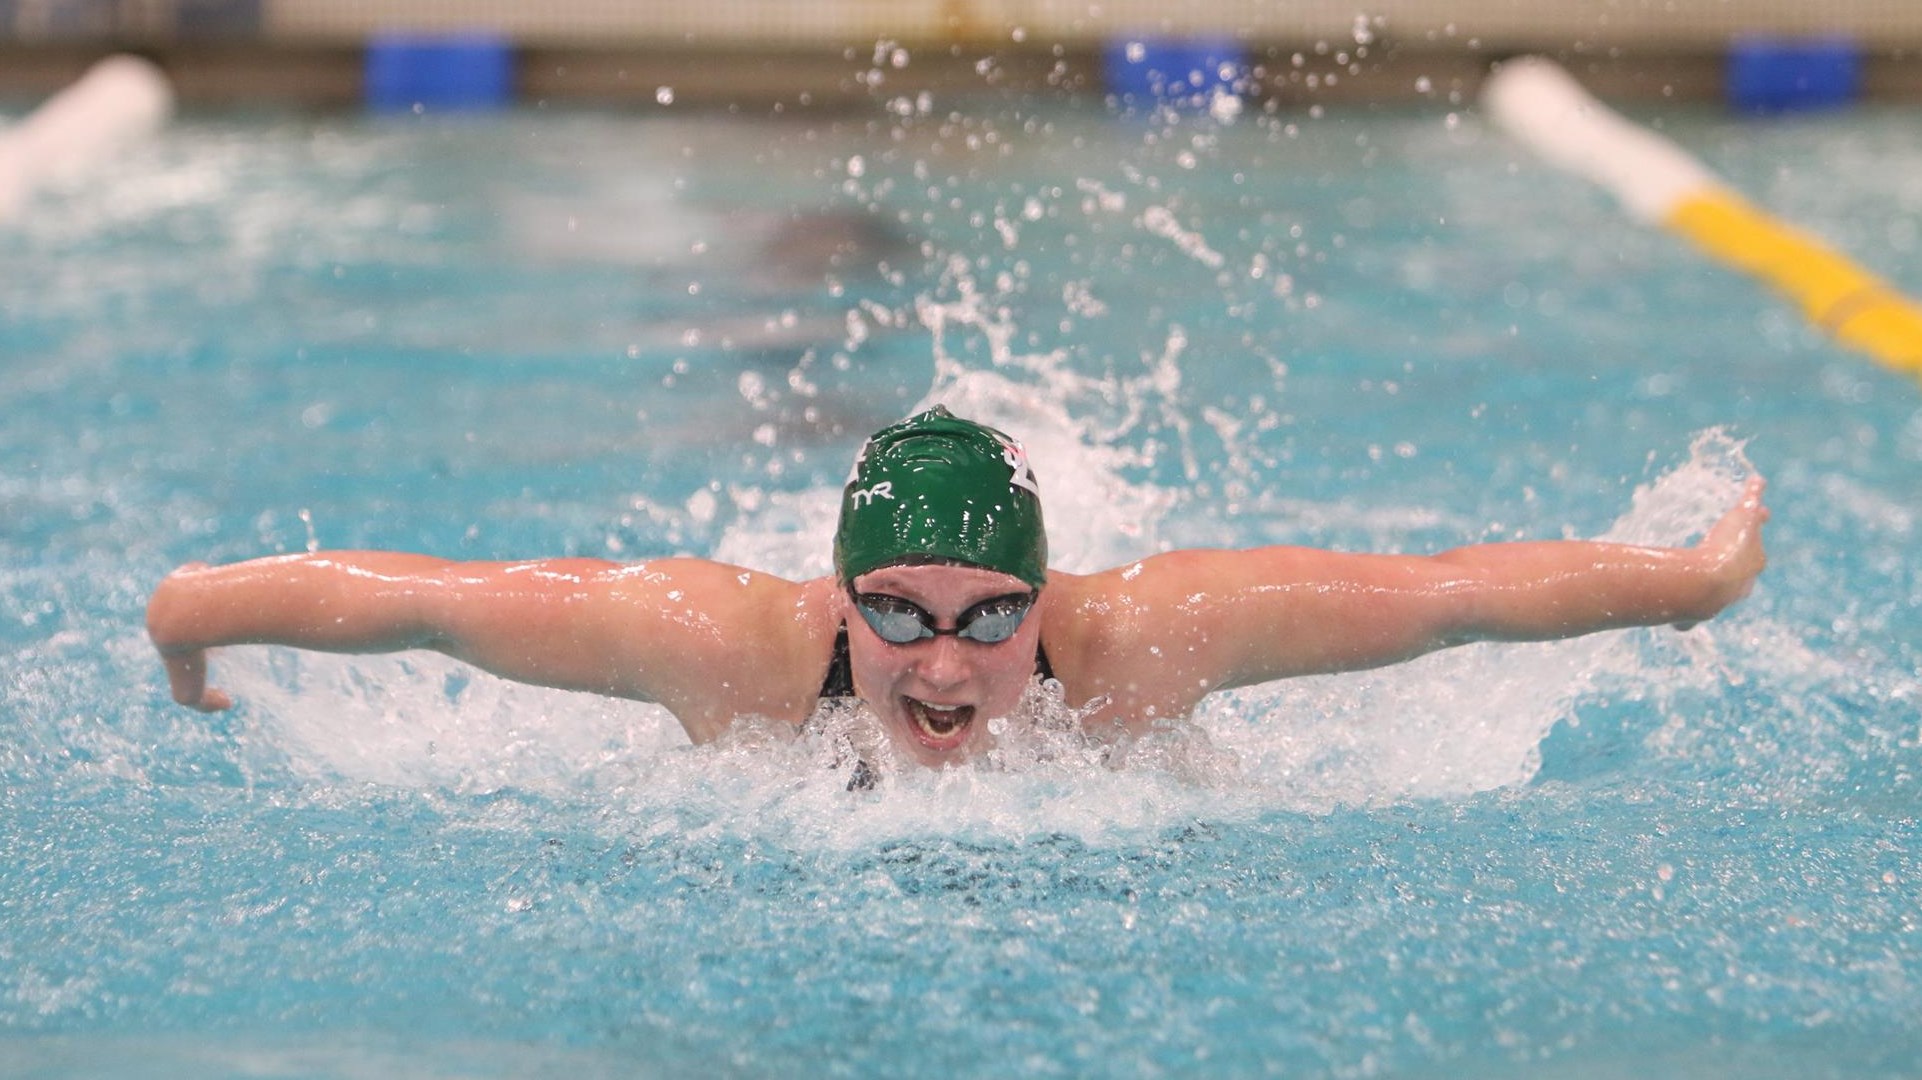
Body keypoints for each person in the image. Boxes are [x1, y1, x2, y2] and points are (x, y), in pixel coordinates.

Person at [147, 407, 1769, 769]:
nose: (943, 665)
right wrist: (188, 626)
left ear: (1045, 599)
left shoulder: (1151, 642)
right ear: (835, 600)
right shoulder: (714, 646)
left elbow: (1444, 597)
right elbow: (422, 597)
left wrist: (1685, 586)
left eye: (994, 616)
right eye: (900, 615)